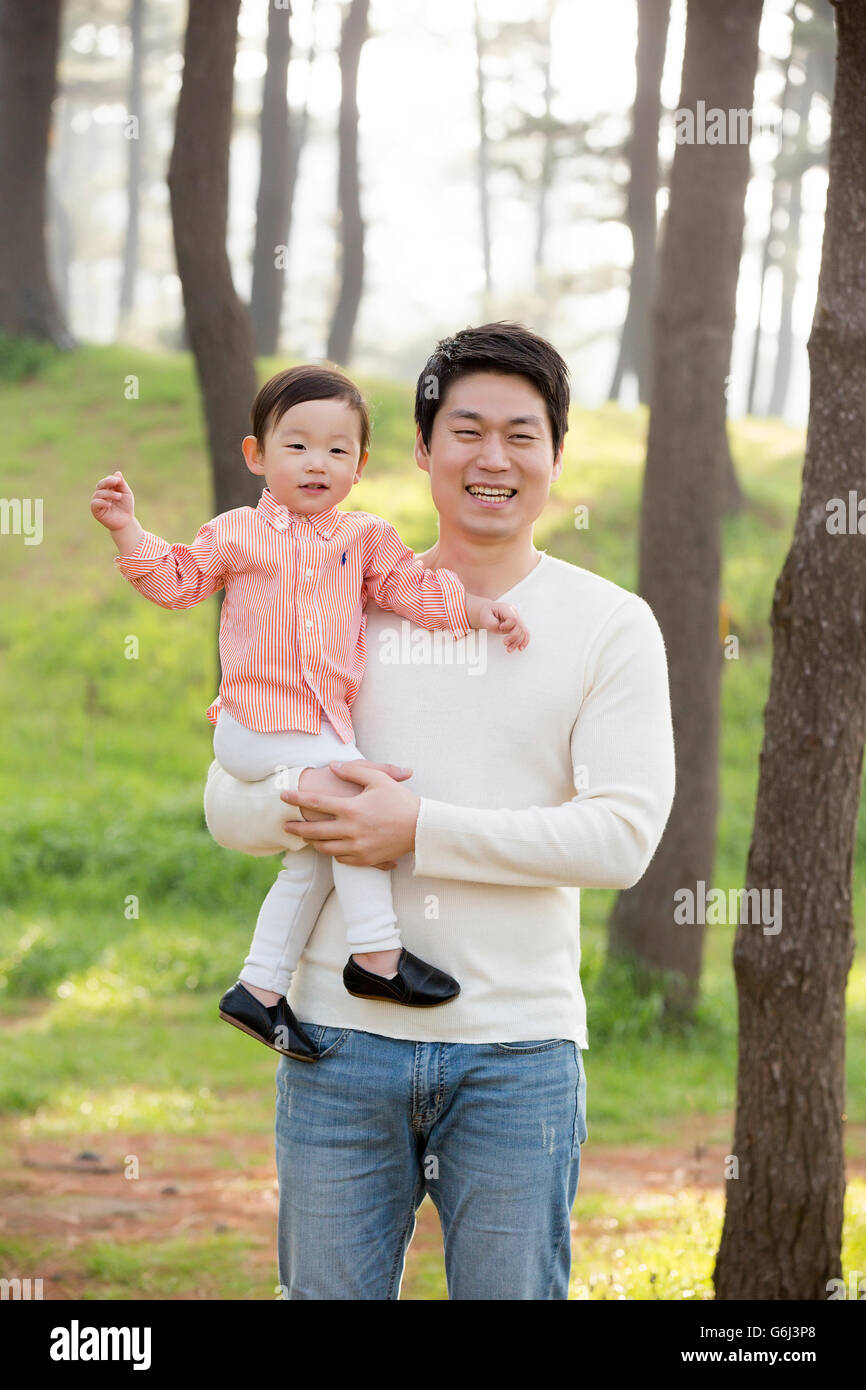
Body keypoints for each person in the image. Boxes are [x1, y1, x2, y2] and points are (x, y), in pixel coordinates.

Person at [203, 322, 676, 1300]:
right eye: (464, 430)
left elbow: (620, 838)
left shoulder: (607, 625)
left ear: (553, 455)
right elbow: (226, 801)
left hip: (518, 1052)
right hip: (336, 1044)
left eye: (520, 433)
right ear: (419, 451)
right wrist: (303, 799)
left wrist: (415, 828)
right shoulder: (340, 600)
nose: (491, 458)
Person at [90, 363, 529, 1063]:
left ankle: (259, 992)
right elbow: (176, 582)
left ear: (359, 465)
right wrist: (127, 530)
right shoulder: (238, 533)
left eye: (336, 450)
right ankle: (379, 957)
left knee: (314, 865)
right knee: (358, 803)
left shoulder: (367, 539)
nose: (316, 463)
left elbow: (413, 590)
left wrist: (477, 612)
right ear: (256, 455)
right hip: (256, 729)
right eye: (295, 446)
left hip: (318, 730)